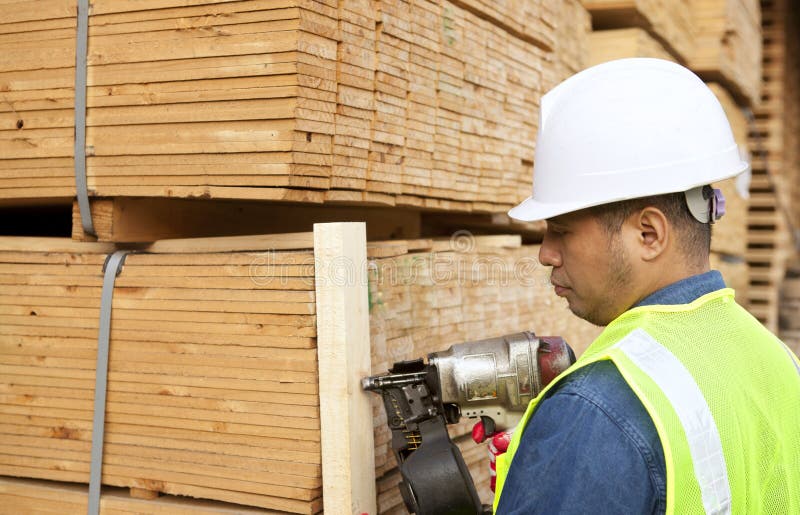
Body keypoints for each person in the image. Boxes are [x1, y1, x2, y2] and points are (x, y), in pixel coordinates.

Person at [492, 58, 800, 514]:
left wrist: (566, 446)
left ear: (649, 235)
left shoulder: (594, 411)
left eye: (560, 229)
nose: (545, 253)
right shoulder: (777, 360)